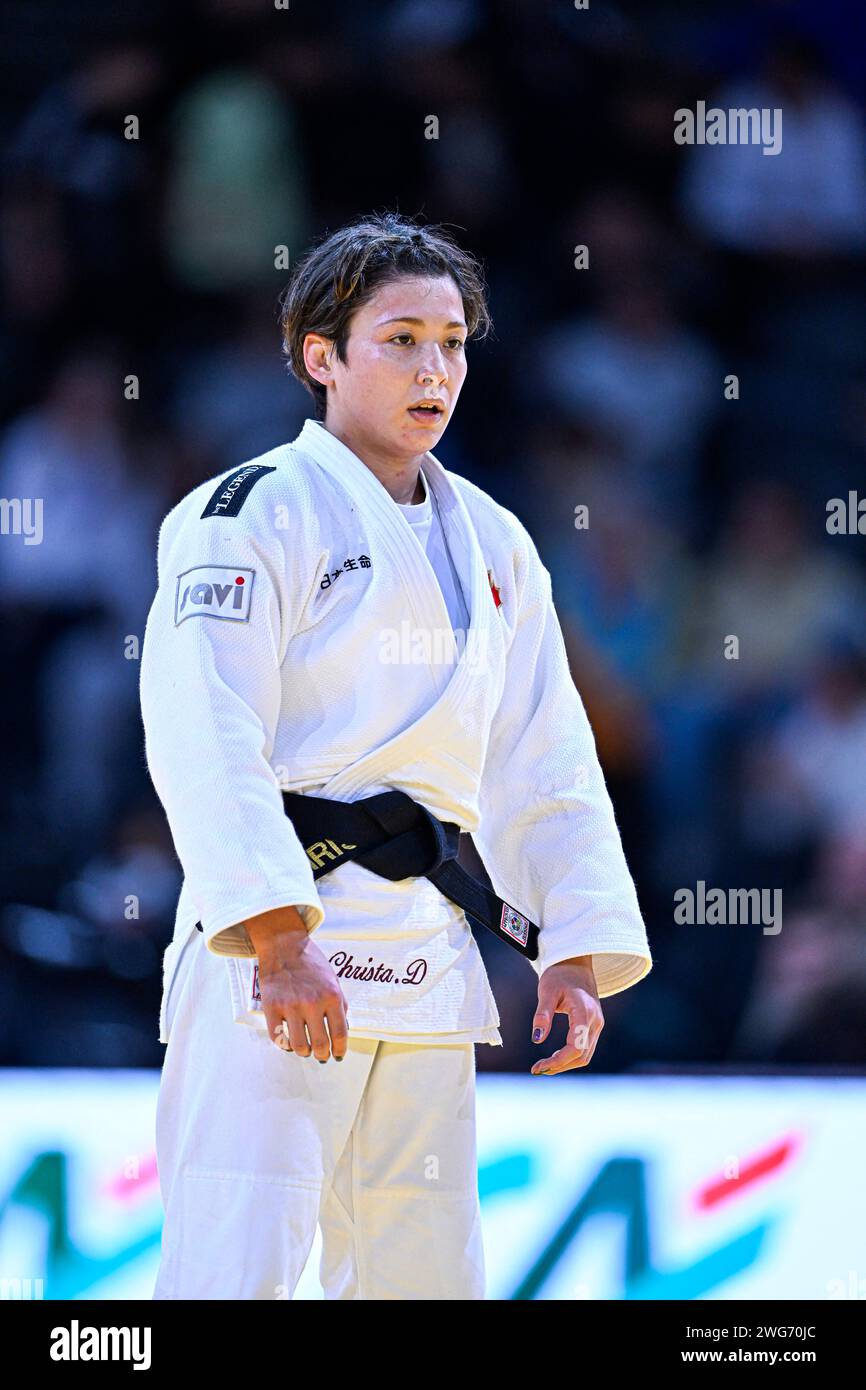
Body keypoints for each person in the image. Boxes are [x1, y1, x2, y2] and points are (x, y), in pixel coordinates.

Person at [139, 212, 652, 1301]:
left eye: (453, 343)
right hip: (275, 956)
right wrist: (274, 933)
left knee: (424, 1280)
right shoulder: (250, 513)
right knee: (237, 1270)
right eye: (402, 339)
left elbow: (543, 752)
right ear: (320, 356)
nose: (435, 370)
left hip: (423, 957)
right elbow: (203, 729)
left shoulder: (495, 540)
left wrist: (570, 944)